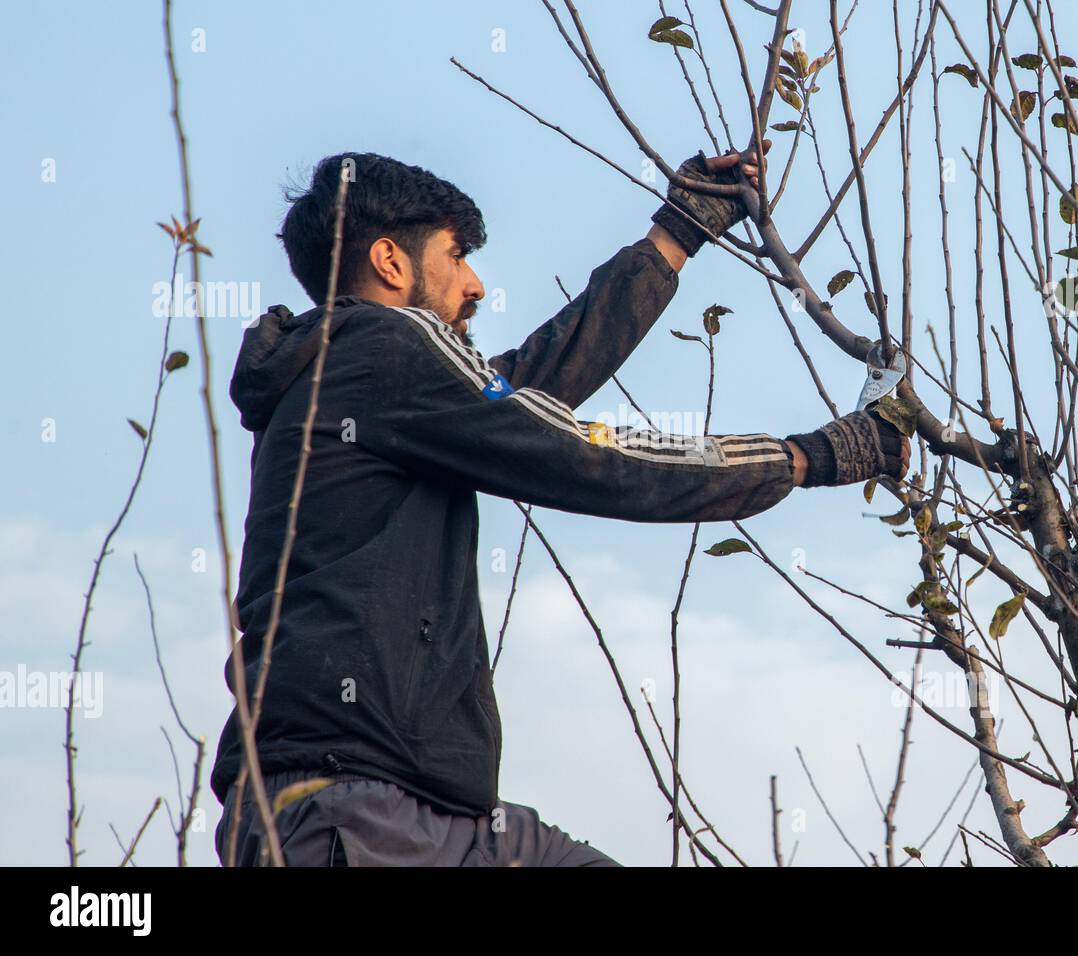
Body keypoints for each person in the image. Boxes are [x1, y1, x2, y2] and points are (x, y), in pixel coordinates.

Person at [211, 148, 911, 866]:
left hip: (415, 814)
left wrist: (676, 234)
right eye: (457, 256)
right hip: (356, 817)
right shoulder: (384, 343)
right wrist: (805, 457)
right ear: (391, 262)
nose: (475, 284)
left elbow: (520, 397)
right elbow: (584, 455)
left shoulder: (352, 370)